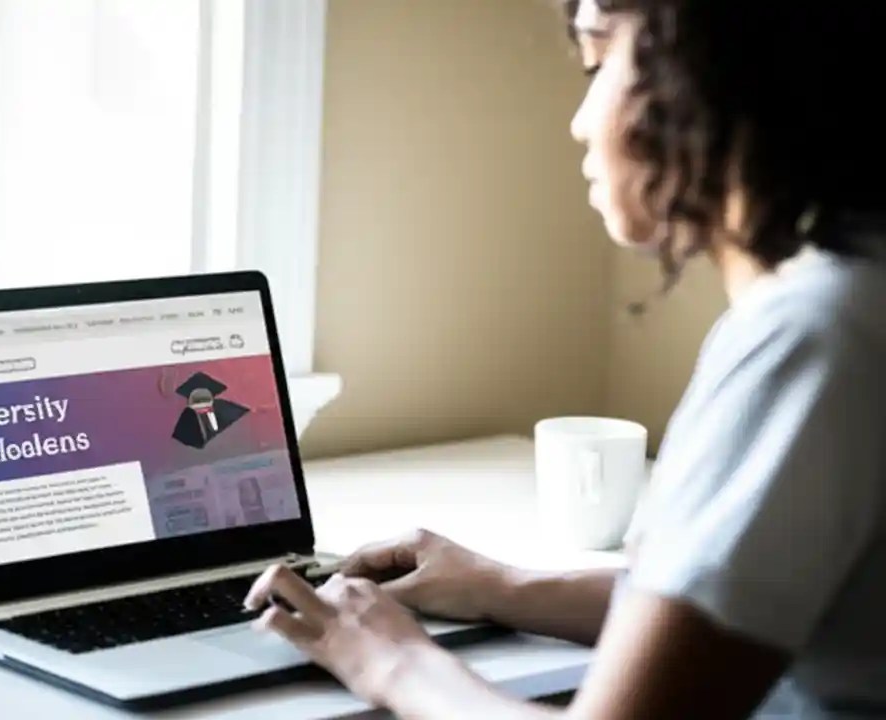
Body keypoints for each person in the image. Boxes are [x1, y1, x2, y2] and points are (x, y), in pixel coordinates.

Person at [244, 1, 886, 718]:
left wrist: (388, 657)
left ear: (707, 73)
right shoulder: (856, 297)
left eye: (599, 60)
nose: (580, 121)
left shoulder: (812, 337)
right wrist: (501, 586)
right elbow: (723, 611)